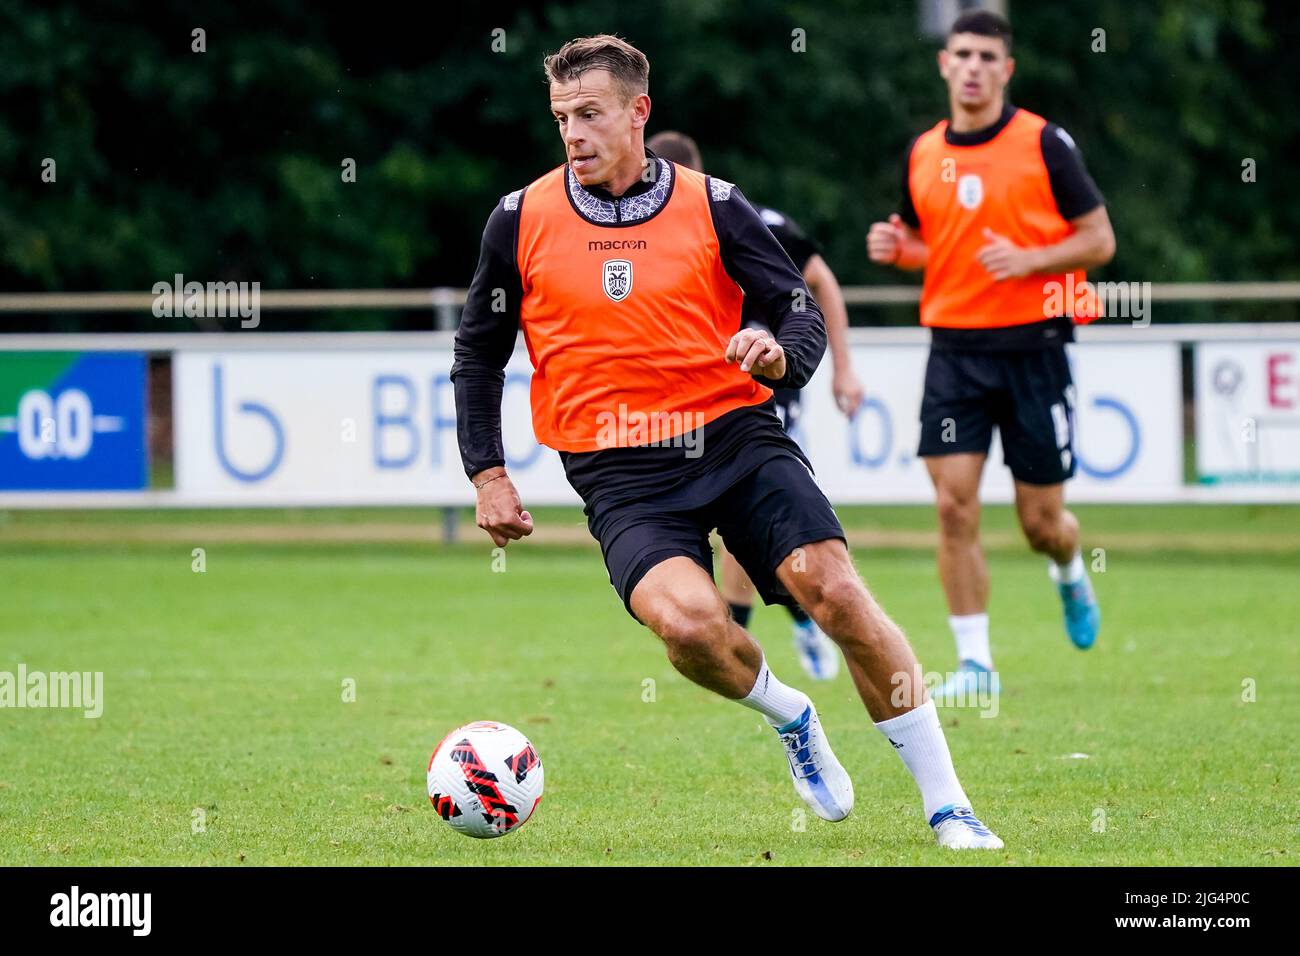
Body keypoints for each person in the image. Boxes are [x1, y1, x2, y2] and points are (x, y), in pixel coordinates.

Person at [453, 33, 1002, 848]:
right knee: (689, 626)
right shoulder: (519, 217)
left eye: (591, 113)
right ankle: (793, 717)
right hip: (618, 473)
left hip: (735, 437)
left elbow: (797, 307)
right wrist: (487, 472)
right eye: (562, 115)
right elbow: (478, 350)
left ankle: (949, 805)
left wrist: (783, 356)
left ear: (639, 113)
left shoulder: (714, 203)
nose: (572, 132)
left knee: (839, 596)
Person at [867, 10, 1115, 697]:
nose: (973, 67)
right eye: (962, 54)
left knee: (1040, 524)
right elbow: (932, 246)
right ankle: (976, 665)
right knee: (954, 506)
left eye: (987, 57)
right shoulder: (923, 152)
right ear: (944, 64)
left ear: (1006, 70)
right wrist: (901, 252)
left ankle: (1068, 568)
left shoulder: (1045, 144)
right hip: (953, 350)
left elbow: (1099, 240)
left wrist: (1032, 258)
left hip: (1034, 348)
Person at [646, 129, 862, 682]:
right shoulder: (637, 236)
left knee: (753, 513)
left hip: (765, 389)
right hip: (691, 398)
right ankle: (769, 624)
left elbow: (819, 283)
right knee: (727, 527)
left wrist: (842, 365)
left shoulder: (748, 219)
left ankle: (758, 626)